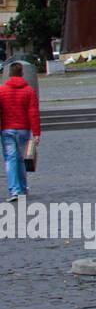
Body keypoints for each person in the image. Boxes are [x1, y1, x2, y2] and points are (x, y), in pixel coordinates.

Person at [1, 62, 40, 203]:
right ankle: (23, 188)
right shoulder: (29, 91)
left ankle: (15, 190)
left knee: (11, 159)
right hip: (23, 129)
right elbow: (33, 113)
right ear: (22, 73)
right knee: (22, 160)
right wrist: (36, 133)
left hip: (7, 130)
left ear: (9, 74)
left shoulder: (2, 90)